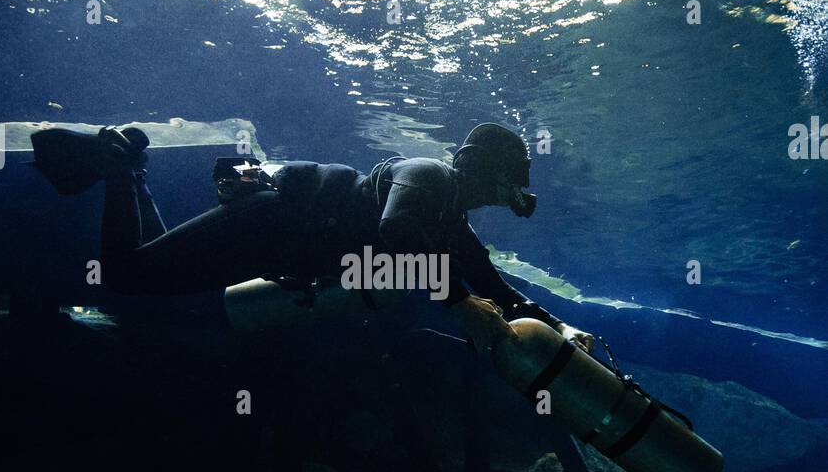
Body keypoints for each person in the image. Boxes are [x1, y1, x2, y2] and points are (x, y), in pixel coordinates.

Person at [32, 121, 594, 353]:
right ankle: (114, 164)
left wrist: (561, 327)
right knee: (130, 275)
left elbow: (497, 285)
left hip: (278, 241)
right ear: (488, 170)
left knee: (151, 278)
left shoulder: (454, 224)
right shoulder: (428, 174)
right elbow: (394, 230)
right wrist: (461, 302)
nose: (515, 191)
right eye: (513, 176)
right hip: (271, 220)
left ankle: (128, 166)